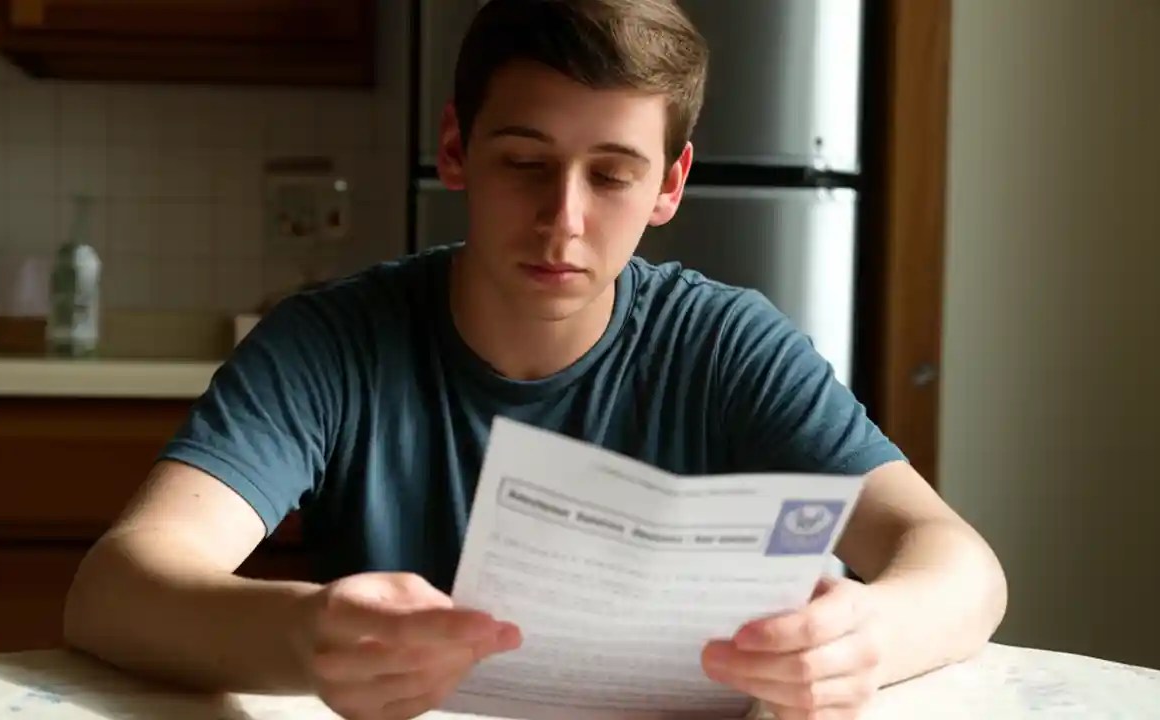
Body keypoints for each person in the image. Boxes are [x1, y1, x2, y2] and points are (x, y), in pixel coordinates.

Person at [63, 1, 1008, 718]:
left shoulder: (727, 345)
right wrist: (307, 636)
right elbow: (117, 588)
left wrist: (860, 638)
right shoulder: (333, 344)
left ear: (671, 184)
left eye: (611, 174)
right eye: (524, 162)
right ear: (454, 150)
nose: (565, 219)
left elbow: (960, 565)